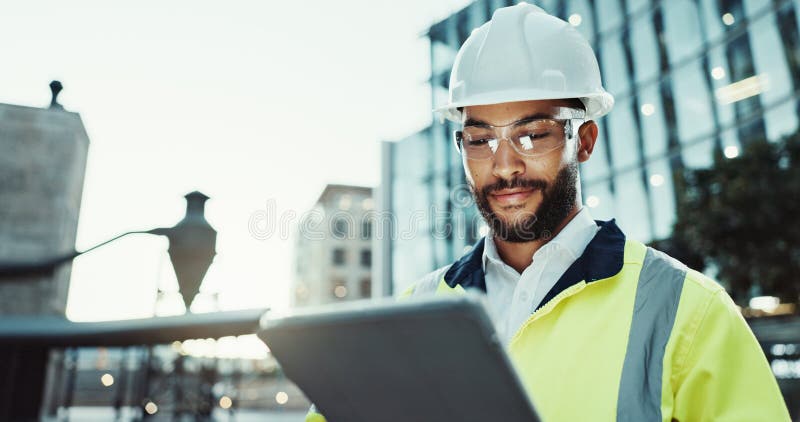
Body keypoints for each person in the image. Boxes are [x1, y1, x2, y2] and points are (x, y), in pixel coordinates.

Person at [307, 3, 790, 421]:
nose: (503, 165)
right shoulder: (414, 309)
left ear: (583, 141)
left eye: (532, 134)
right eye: (479, 140)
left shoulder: (690, 312)